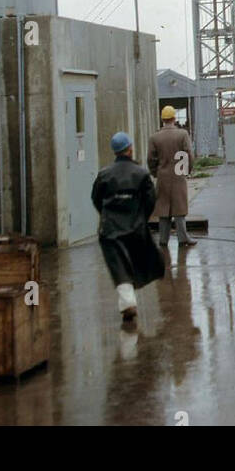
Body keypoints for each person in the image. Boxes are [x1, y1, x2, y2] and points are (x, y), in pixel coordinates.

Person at [91, 131, 165, 322]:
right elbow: (150, 200)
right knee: (137, 262)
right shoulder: (141, 174)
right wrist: (140, 218)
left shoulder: (104, 174)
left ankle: (127, 303)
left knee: (119, 267)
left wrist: (108, 216)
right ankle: (128, 301)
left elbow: (96, 199)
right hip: (135, 227)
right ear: (130, 149)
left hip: (110, 230)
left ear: (115, 152)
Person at [148, 106, 198, 249]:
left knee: (163, 208)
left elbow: (151, 158)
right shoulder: (182, 134)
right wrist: (187, 170)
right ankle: (183, 237)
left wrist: (155, 173)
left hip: (162, 176)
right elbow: (189, 154)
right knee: (180, 207)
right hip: (179, 173)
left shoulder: (154, 137)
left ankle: (163, 239)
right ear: (174, 118)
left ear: (162, 119)